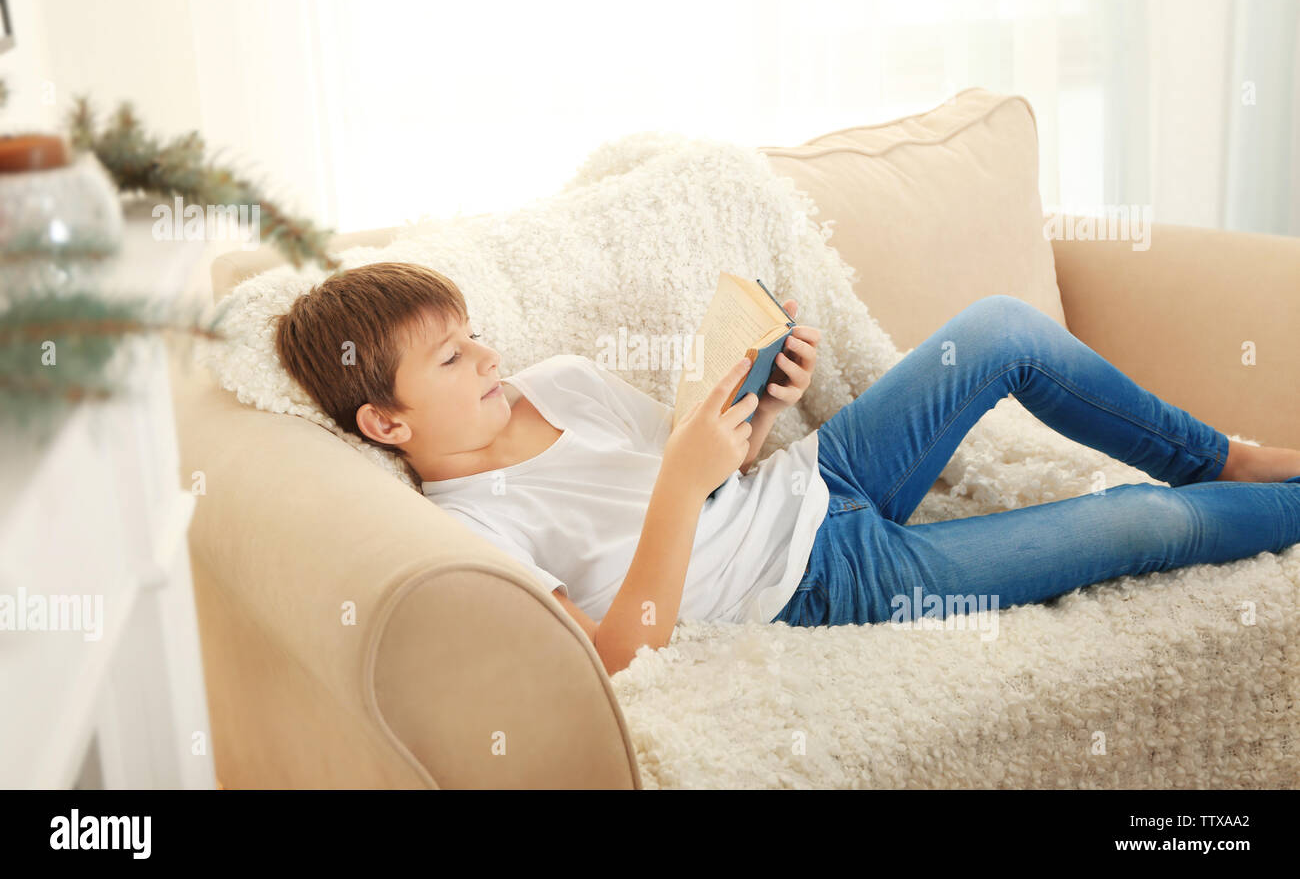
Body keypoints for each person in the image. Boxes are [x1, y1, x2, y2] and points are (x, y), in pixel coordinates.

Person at [274, 262, 1300, 675]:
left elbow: (711, 467)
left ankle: (1228, 455)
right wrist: (679, 483)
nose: (489, 358)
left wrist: (760, 405)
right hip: (817, 584)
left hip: (814, 479)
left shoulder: (562, 382)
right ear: (384, 419)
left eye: (474, 334)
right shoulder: (460, 531)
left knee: (1001, 329)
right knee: (1145, 528)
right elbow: (612, 652)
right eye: (451, 358)